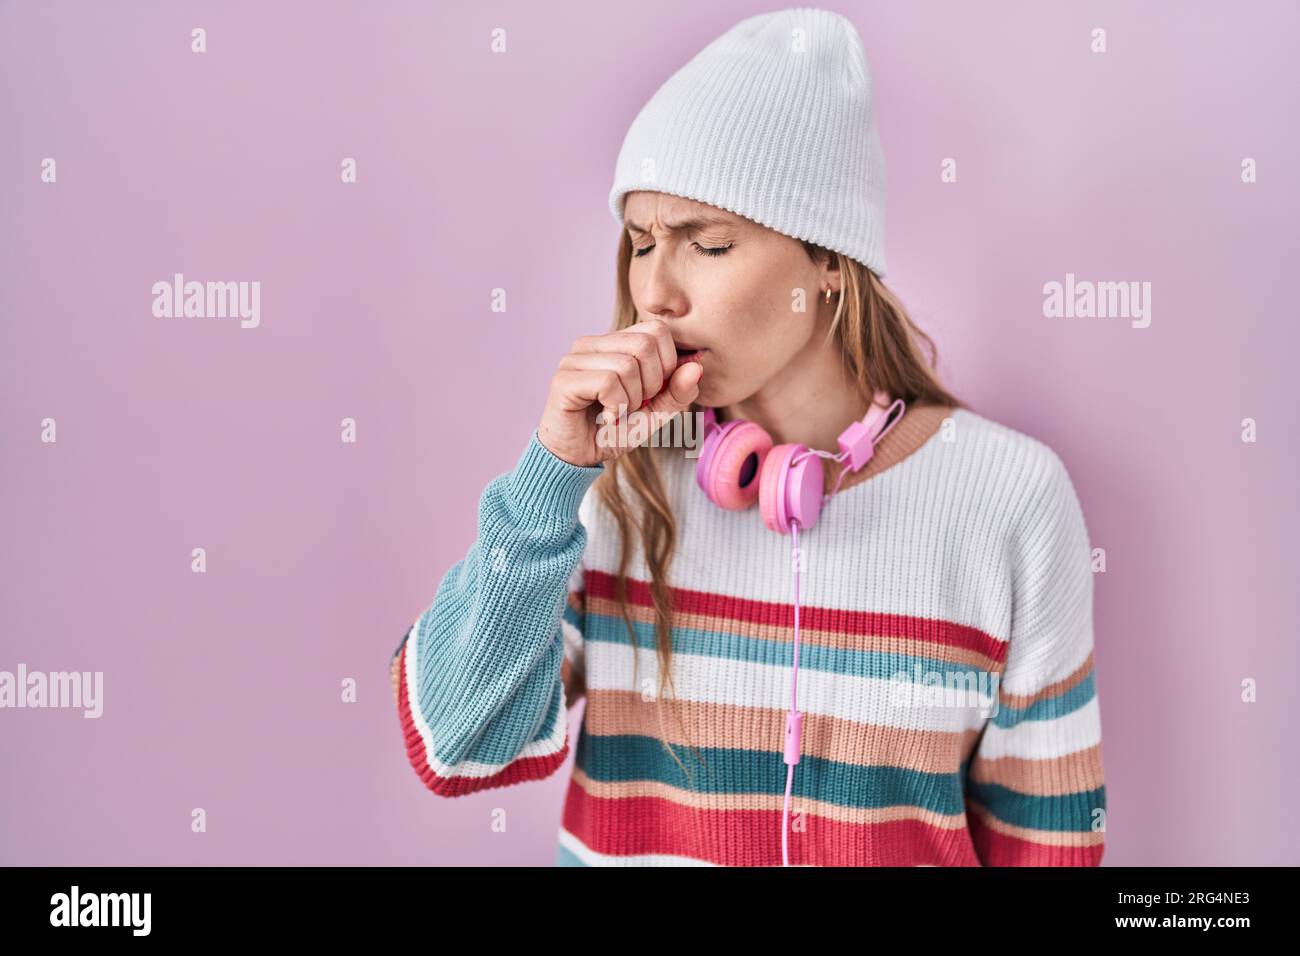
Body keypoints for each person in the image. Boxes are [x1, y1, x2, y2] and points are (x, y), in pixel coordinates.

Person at [390, 7, 1106, 866]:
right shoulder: (613, 484)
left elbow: (1050, 846)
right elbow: (456, 739)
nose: (654, 292)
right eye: (641, 241)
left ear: (829, 261)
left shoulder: (1010, 500)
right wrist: (552, 475)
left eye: (711, 244)